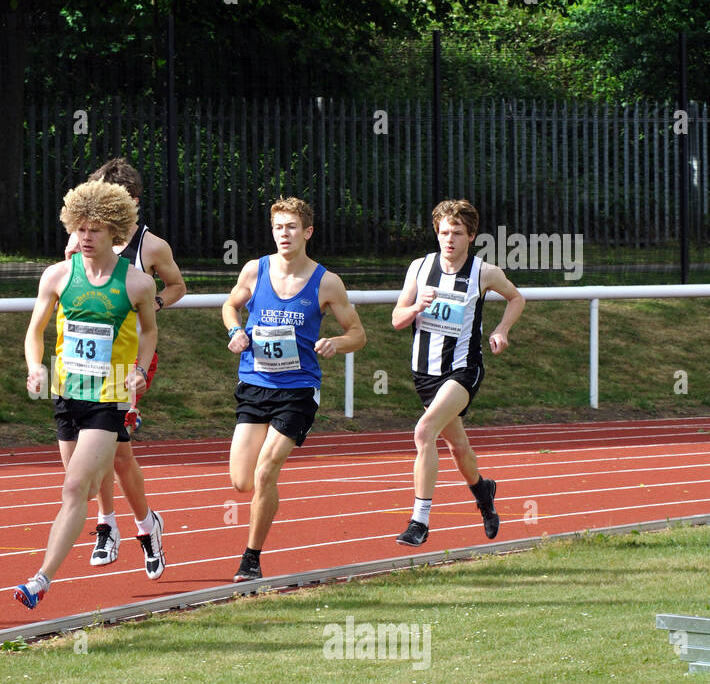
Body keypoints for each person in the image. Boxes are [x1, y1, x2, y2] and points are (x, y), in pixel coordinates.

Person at [12, 179, 161, 609]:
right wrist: (34, 366)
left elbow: (149, 332)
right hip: (67, 392)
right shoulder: (58, 275)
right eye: (80, 228)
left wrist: (138, 372)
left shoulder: (137, 284)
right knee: (89, 485)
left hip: (110, 395)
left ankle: (41, 580)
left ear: (116, 230)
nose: (86, 237)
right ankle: (143, 522)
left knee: (75, 487)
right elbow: (35, 330)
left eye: (95, 229)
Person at [222, 197, 365, 582]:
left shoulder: (327, 282)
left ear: (307, 232)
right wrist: (235, 330)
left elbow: (358, 334)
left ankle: (250, 559)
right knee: (242, 482)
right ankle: (265, 504)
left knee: (267, 472)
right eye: (278, 227)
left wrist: (336, 342)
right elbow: (229, 305)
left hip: (298, 389)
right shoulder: (255, 270)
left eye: (291, 227)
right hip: (255, 383)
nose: (284, 234)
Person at [64, 157, 186, 572]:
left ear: (131, 202)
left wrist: (152, 303)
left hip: (129, 361)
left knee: (113, 452)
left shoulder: (151, 247)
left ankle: (115, 524)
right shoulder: (81, 242)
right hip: (85, 364)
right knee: (108, 452)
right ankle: (136, 523)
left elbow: (177, 286)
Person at [390, 198, 526, 546]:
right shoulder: (419, 268)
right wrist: (418, 305)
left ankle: (419, 522)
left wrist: (501, 331)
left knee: (424, 432)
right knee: (458, 446)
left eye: (457, 233)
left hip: (463, 370)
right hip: (424, 373)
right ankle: (483, 491)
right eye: (444, 232)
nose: (449, 239)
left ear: (471, 236)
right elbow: (396, 320)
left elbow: (516, 298)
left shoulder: (484, 272)